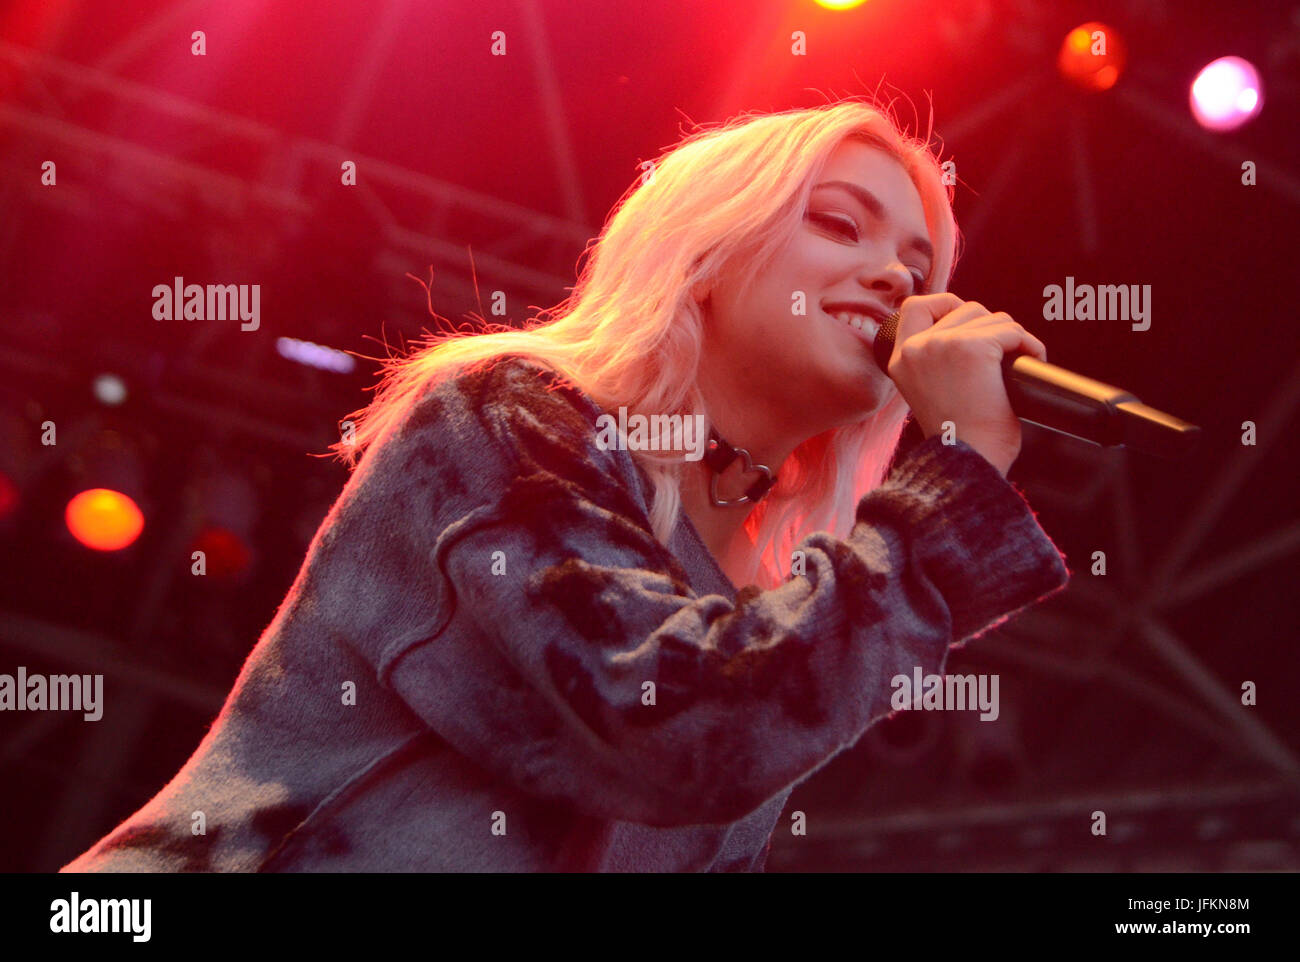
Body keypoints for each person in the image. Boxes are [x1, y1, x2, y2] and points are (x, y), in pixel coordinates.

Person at [60, 98, 1069, 873]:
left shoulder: (767, 624)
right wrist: (955, 483)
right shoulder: (502, 418)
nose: (899, 280)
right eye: (842, 225)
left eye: (919, 261)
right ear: (708, 252)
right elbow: (679, 727)